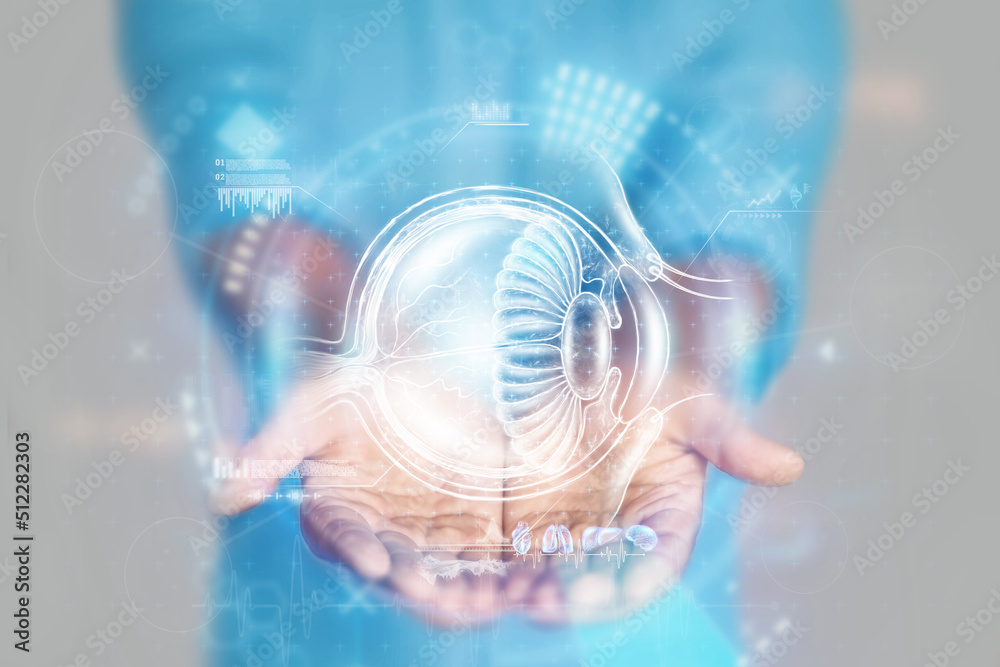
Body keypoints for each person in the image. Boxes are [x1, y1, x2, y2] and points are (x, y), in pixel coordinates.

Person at [118, 0, 844, 664]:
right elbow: (233, 156)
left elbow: (744, 194)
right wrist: (351, 340)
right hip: (320, 620)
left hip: (637, 614)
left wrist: (664, 364)